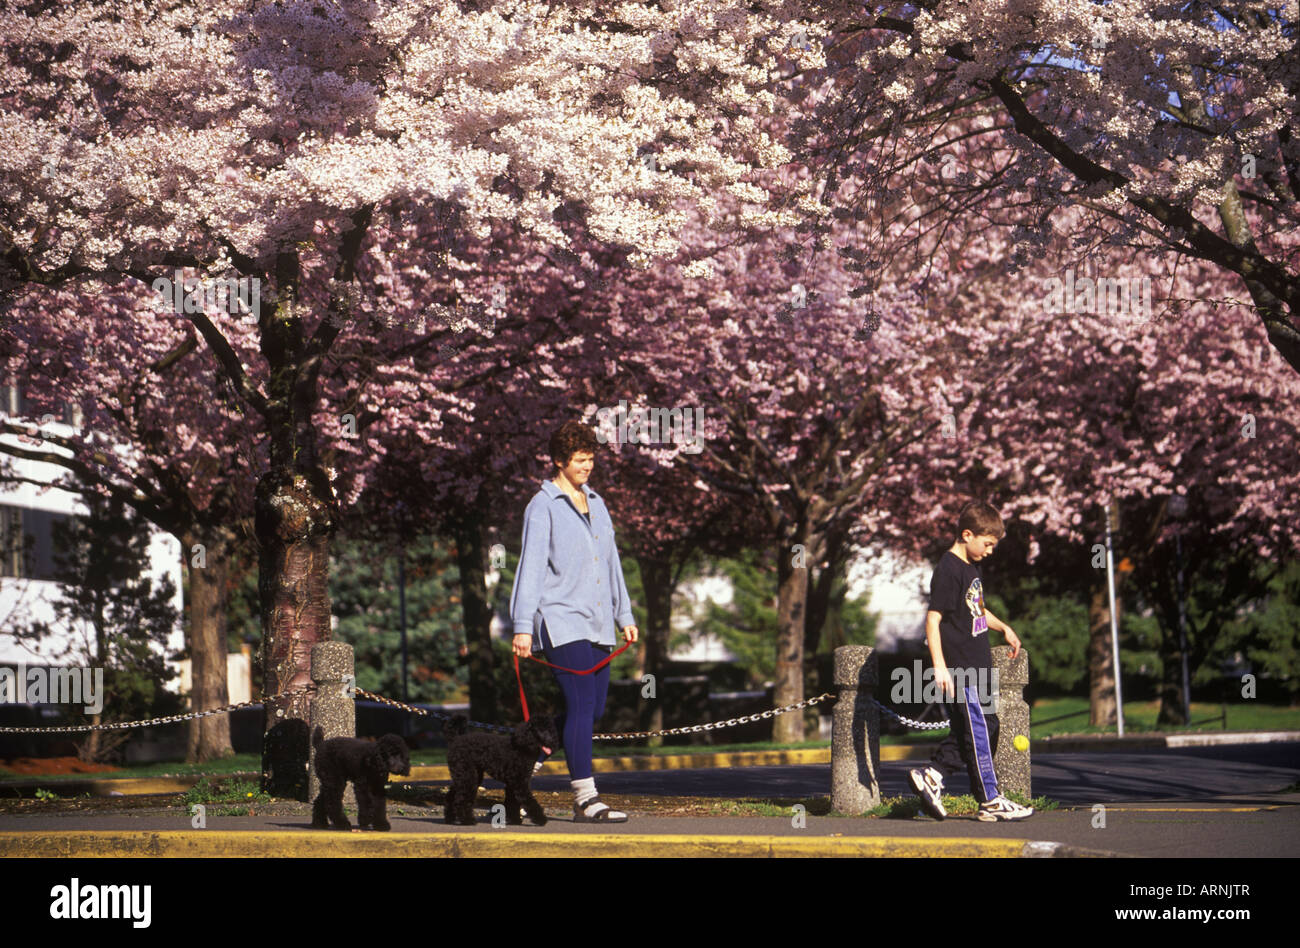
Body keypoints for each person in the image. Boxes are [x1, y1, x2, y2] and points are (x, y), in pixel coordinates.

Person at [509, 420, 639, 822]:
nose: (587, 466)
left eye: (591, 459)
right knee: (581, 704)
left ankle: (531, 749)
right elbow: (529, 568)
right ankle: (585, 797)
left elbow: (612, 562)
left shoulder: (596, 503)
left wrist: (624, 613)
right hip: (560, 619)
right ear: (559, 461)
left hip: (598, 620)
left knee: (594, 709)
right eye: (580, 460)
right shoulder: (543, 506)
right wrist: (522, 625)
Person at [907, 501, 1034, 821]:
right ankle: (990, 798)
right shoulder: (949, 570)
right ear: (967, 534)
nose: (990, 551)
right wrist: (939, 666)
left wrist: (1004, 627)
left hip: (978, 665)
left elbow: (976, 608)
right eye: (987, 544)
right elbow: (932, 620)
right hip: (960, 667)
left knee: (985, 727)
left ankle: (932, 775)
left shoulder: (971, 568)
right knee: (977, 730)